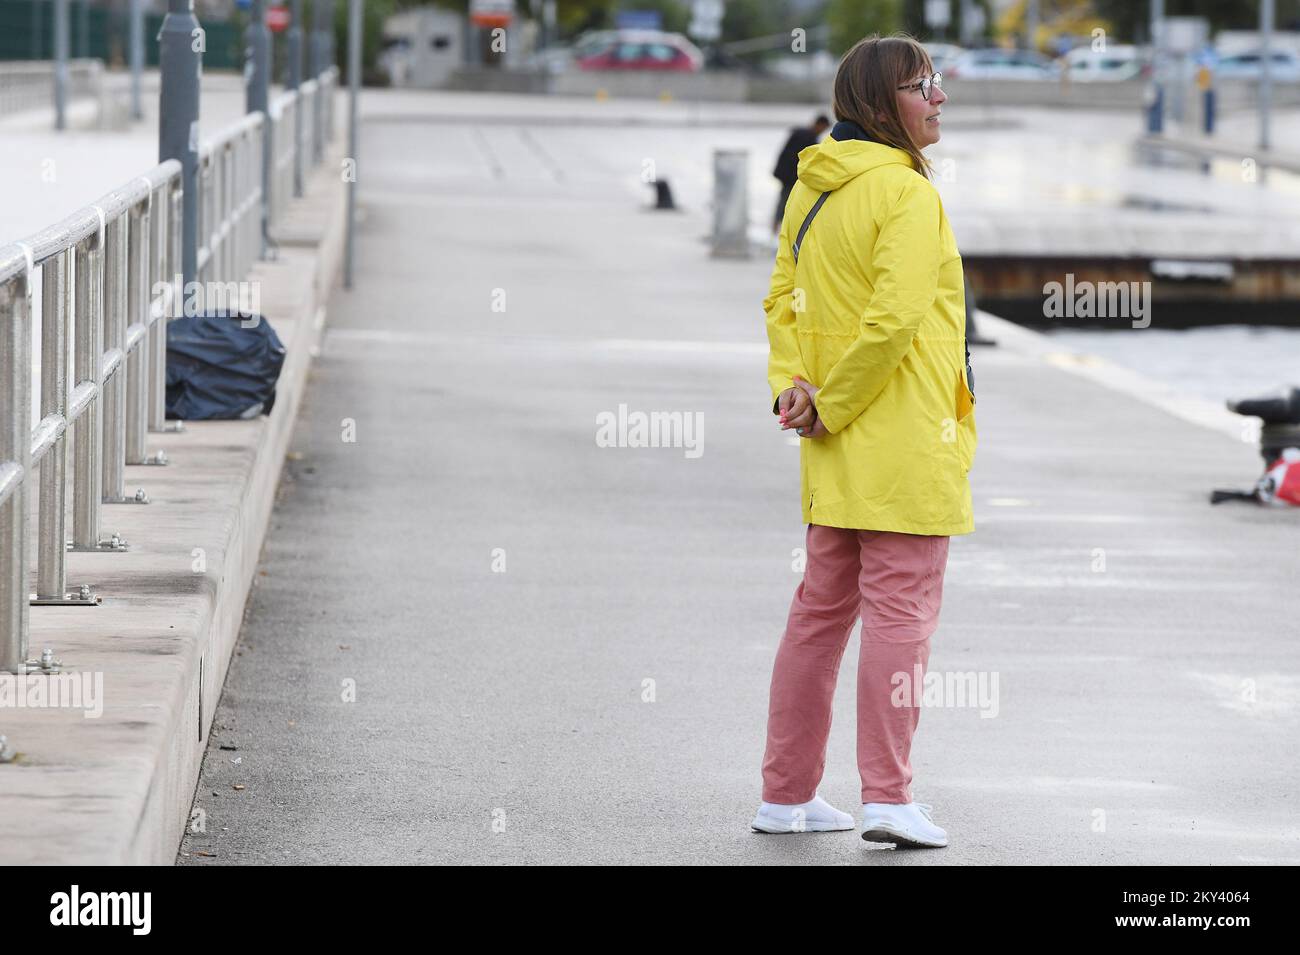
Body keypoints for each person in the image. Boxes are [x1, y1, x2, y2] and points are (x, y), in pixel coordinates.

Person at [751, 34, 977, 848]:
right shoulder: (908, 195)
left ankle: (785, 793)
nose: (940, 97)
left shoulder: (811, 189)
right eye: (924, 86)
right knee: (901, 615)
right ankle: (887, 796)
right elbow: (894, 321)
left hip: (832, 450)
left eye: (938, 81)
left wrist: (797, 390)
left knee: (818, 615)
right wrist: (834, 401)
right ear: (885, 105)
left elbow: (782, 300)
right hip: (903, 442)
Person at [771, 114, 830, 236]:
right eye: (823, 128)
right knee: (786, 201)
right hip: (791, 176)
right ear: (820, 124)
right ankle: (778, 228)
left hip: (786, 174)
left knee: (784, 200)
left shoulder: (800, 133)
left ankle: (776, 227)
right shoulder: (809, 137)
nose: (823, 131)